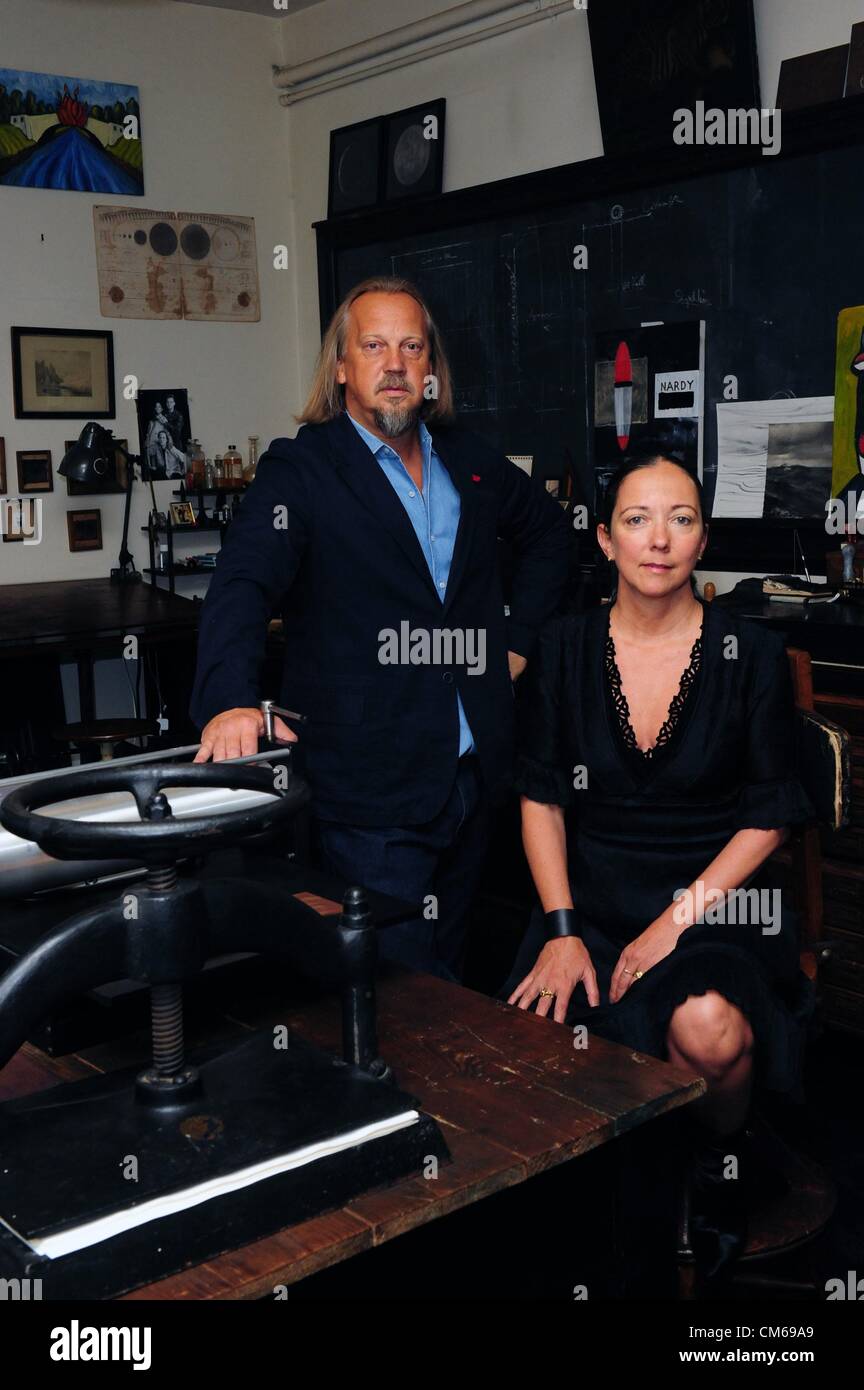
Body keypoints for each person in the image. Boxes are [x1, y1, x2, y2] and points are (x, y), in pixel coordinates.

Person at [190, 276, 570, 980]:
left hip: (473, 774)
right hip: (369, 789)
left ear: (430, 370)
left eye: (411, 347)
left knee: (454, 968)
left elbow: (552, 536)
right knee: (394, 992)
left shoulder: (471, 462)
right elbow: (242, 581)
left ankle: (446, 1092)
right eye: (373, 346)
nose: (394, 364)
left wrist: (516, 643)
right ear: (342, 367)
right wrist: (229, 698)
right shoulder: (301, 470)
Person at [503, 442, 815, 1284]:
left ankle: (718, 1173)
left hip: (713, 901)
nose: (658, 539)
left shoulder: (748, 654)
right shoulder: (563, 650)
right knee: (528, 1045)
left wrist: (672, 927)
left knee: (707, 1027)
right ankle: (620, 1215)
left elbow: (770, 819)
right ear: (605, 540)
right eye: (637, 520)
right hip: (590, 899)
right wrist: (563, 928)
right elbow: (541, 797)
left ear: (702, 538)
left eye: (680, 519)